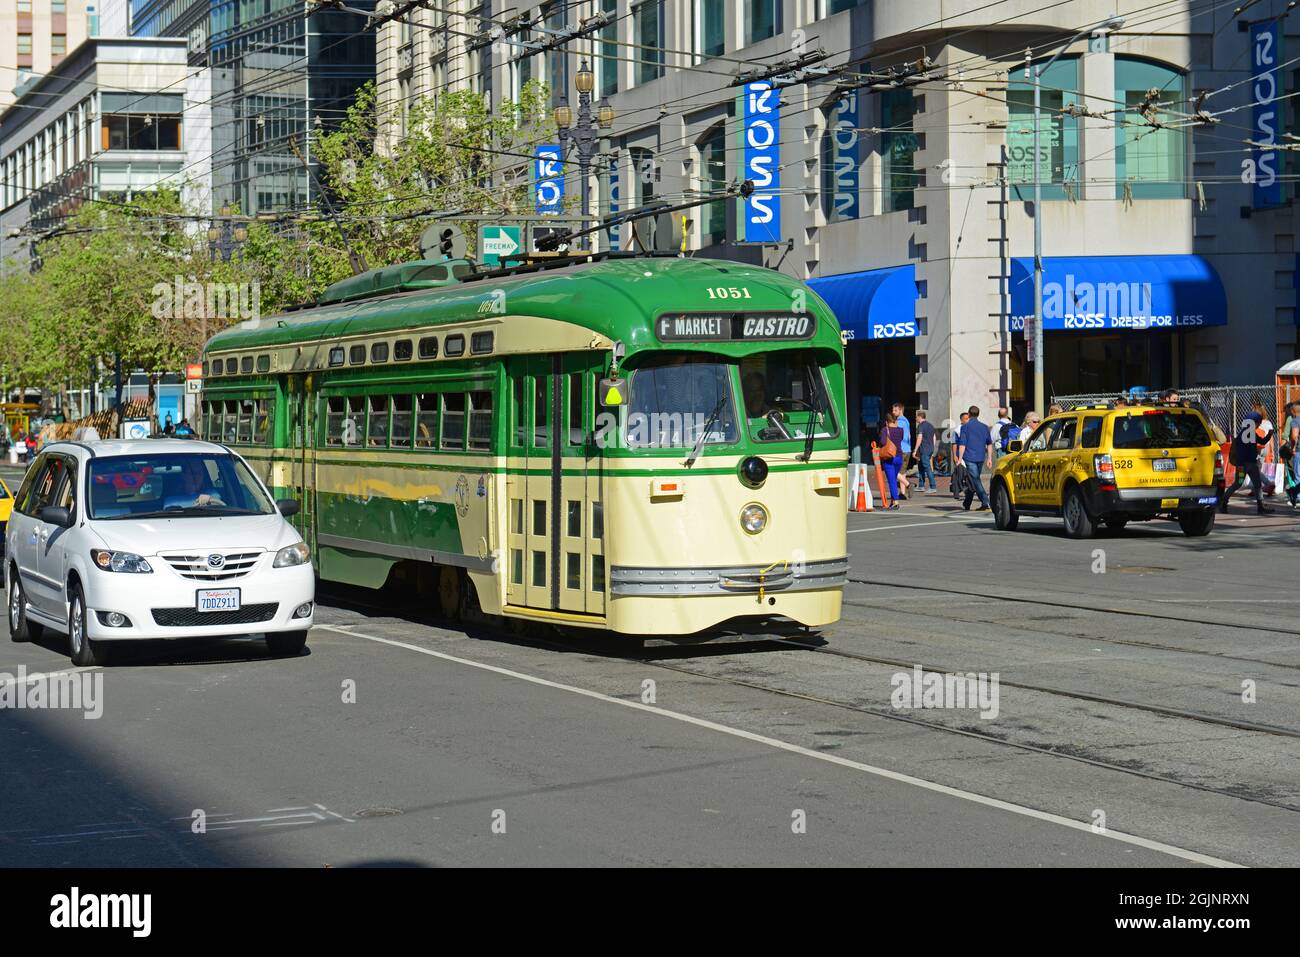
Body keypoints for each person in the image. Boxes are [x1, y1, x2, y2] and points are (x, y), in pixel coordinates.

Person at [1221, 403, 1272, 515]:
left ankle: (1225, 502)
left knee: (1244, 484)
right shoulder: (1248, 434)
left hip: (1246, 464)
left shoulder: (1246, 433)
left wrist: (1269, 435)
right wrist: (1269, 435)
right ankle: (1259, 506)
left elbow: (1261, 441)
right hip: (1247, 464)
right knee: (1249, 484)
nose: (1258, 425)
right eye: (1258, 423)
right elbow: (1260, 442)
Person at [956, 405, 993, 511]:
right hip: (981, 457)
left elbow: (962, 444)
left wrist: (959, 459)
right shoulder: (985, 427)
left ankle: (986, 502)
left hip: (969, 457)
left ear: (969, 414)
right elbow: (989, 444)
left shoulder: (965, 427)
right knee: (973, 480)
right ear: (978, 414)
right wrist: (989, 458)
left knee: (975, 480)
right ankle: (967, 503)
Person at [878, 411, 905, 509]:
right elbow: (900, 440)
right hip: (899, 457)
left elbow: (883, 442)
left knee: (892, 480)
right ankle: (893, 500)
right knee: (894, 478)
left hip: (889, 458)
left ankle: (896, 502)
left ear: (886, 421)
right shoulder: (900, 430)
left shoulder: (885, 430)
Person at [914, 409, 937, 492]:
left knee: (927, 468)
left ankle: (933, 486)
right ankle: (921, 485)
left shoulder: (920, 426)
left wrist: (915, 450)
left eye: (916, 417)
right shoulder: (930, 425)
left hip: (924, 449)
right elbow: (934, 437)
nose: (915, 419)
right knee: (921, 467)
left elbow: (919, 438)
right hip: (929, 449)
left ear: (920, 417)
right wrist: (932, 447)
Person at [892, 402, 912, 499]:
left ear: (900, 410)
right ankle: (902, 493)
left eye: (895, 410)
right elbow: (909, 435)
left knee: (894, 472)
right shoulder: (907, 421)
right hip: (907, 448)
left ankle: (908, 485)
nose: (893, 412)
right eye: (893, 410)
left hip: (901, 449)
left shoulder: (899, 422)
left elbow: (897, 436)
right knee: (902, 472)